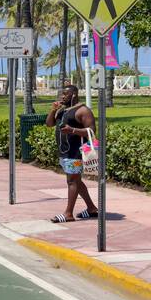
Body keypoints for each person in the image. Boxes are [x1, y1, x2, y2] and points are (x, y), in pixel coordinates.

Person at [45, 82, 100, 222]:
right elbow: (49, 124)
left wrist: (72, 130)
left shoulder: (82, 111)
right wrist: (53, 110)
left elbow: (92, 131)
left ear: (74, 95)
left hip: (75, 153)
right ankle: (92, 208)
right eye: (62, 94)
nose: (62, 97)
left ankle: (68, 213)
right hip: (64, 152)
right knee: (76, 181)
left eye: (65, 94)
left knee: (72, 181)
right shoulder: (62, 109)